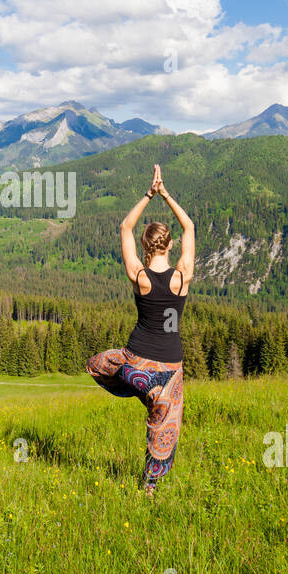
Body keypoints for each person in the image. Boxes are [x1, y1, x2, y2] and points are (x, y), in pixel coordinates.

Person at [86, 164, 194, 496]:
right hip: (169, 371)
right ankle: (148, 487)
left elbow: (124, 226)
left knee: (97, 364)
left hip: (134, 363)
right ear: (171, 244)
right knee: (164, 428)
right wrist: (166, 193)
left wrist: (149, 193)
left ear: (145, 248)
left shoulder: (139, 277)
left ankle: (138, 387)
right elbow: (189, 225)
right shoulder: (182, 277)